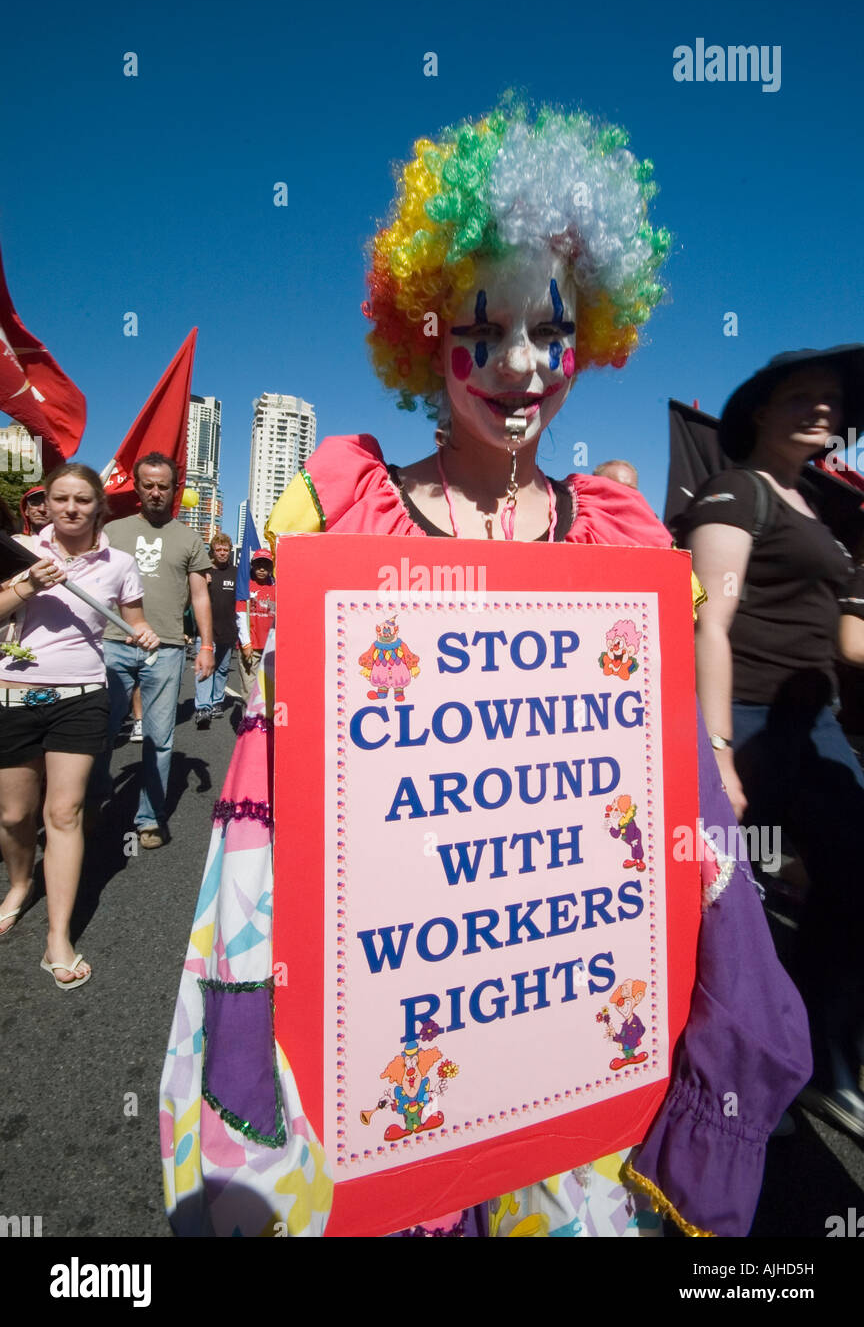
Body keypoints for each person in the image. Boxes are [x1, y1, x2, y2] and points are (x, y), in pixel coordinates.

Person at [161, 101, 810, 1238]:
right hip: (394, 1009)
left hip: (566, 1022)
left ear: (590, 338)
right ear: (424, 335)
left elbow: (666, 799)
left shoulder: (621, 537)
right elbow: (274, 803)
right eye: (485, 327)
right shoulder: (346, 509)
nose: (519, 366)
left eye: (550, 333)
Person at [681, 347, 864, 1138]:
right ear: (760, 410)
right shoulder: (736, 491)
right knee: (732, 914)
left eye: (830, 398)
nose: (821, 408)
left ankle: (824, 1063)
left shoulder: (822, 508)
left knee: (855, 885)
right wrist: (716, 747)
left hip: (814, 727)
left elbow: (849, 639)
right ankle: (730, 1085)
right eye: (801, 396)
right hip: (749, 720)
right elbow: (709, 621)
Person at [0, 464, 158, 985]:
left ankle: (58, 936)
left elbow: (133, 619)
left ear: (99, 507)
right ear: (47, 503)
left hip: (84, 697)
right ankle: (20, 884)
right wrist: (26, 586)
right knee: (14, 815)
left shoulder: (120, 563)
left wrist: (144, 633)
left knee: (63, 812)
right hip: (15, 697)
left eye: (82, 501)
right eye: (61, 498)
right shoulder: (22, 549)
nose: (70, 508)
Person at [95, 452, 214, 849]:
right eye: (148, 485)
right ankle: (89, 806)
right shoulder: (111, 531)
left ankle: (150, 817)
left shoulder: (189, 538)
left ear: (174, 488)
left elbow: (200, 597)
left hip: (165, 649)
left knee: (160, 738)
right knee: (101, 732)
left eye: (164, 486)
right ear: (137, 485)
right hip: (113, 642)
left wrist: (207, 645)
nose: (156, 492)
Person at [194, 532, 238, 728]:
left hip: (228, 630)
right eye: (219, 550)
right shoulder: (204, 572)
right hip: (206, 632)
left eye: (225, 550)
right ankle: (203, 707)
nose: (222, 553)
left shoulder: (236, 573)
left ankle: (217, 701)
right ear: (213, 551)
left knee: (221, 670)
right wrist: (204, 582)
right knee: (204, 670)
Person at [236, 548, 276, 701]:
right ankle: (248, 724)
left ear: (271, 568)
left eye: (265, 565)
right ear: (252, 566)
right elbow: (240, 615)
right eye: (258, 564)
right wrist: (246, 644)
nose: (261, 568)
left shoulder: (276, 587)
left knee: (269, 690)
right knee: (249, 692)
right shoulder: (245, 585)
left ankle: (266, 723)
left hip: (270, 647)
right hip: (251, 647)